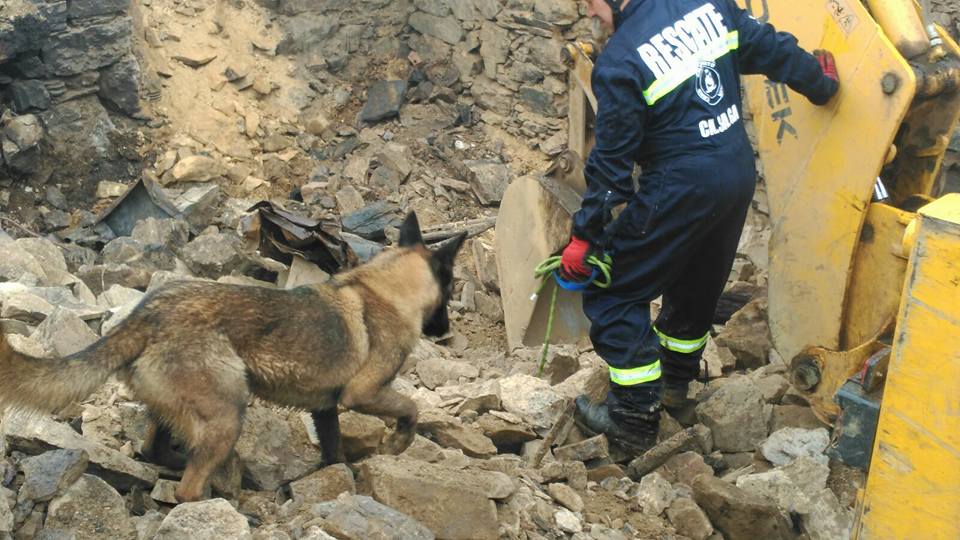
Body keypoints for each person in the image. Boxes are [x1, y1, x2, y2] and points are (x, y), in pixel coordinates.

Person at [563, 0, 840, 453]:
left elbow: (611, 168)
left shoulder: (620, 60)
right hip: (734, 175)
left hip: (679, 184)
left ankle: (633, 420)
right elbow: (766, 47)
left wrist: (585, 237)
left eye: (589, 0)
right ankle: (674, 387)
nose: (588, 11)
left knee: (613, 292)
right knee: (696, 286)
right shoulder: (707, 5)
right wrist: (820, 84)